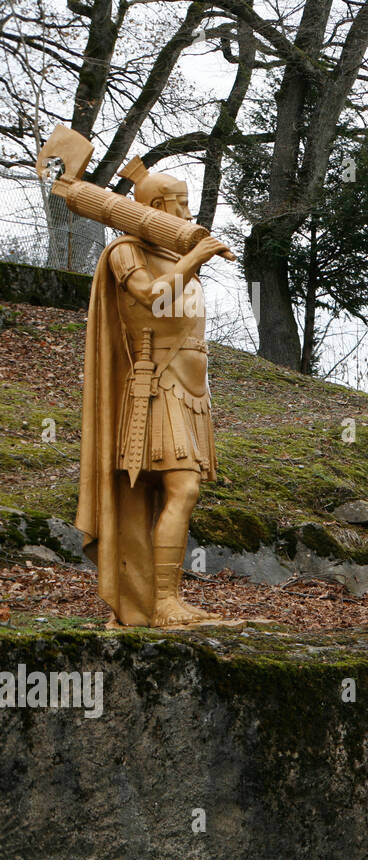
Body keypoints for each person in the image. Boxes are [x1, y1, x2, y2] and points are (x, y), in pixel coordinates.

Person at [75, 162, 229, 626]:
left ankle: (167, 598)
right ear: (157, 207)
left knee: (175, 493)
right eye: (180, 202)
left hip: (190, 390)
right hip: (155, 387)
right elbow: (152, 298)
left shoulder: (171, 251)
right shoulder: (126, 250)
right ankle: (161, 603)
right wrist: (194, 259)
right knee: (183, 487)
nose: (188, 210)